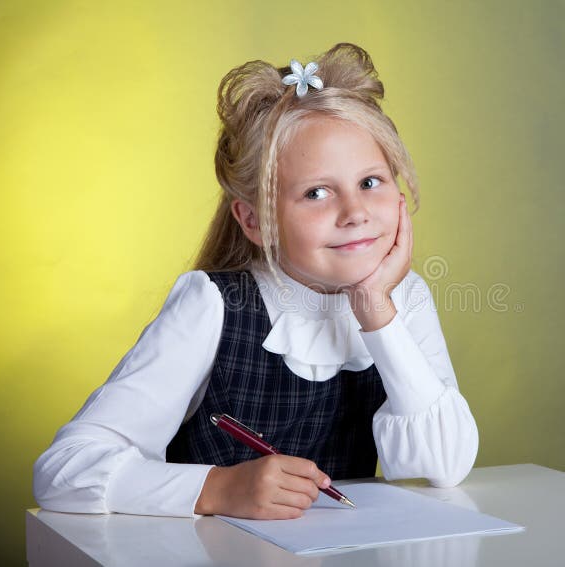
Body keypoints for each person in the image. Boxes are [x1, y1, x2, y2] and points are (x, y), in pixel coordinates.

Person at [33, 43, 478, 520]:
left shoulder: (403, 300)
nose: (355, 214)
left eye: (370, 182)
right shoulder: (215, 305)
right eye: (316, 193)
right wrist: (217, 489)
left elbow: (446, 465)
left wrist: (376, 311)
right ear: (254, 220)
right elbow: (63, 470)